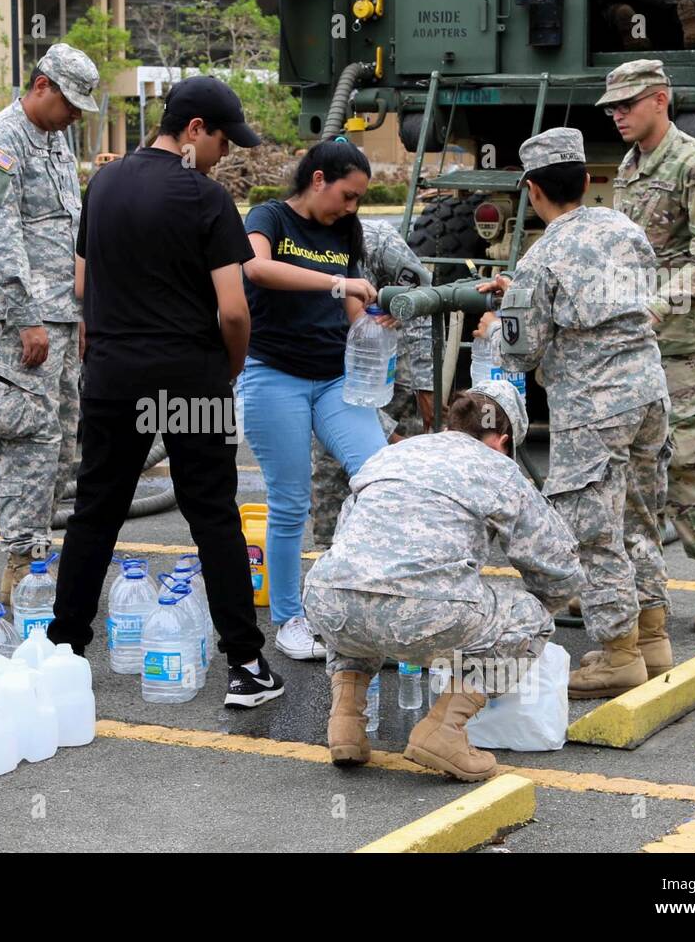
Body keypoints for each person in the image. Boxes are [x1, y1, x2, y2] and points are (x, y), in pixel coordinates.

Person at [47, 75, 284, 708]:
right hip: (189, 374)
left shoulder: (104, 185)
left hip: (115, 373)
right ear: (195, 129)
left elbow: (81, 283)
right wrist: (229, 367)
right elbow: (234, 310)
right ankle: (246, 666)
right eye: (224, 140)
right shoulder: (202, 198)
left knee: (96, 509)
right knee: (210, 513)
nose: (226, 154)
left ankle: (63, 651)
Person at [305, 382, 584, 782]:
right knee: (530, 616)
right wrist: (544, 599)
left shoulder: (392, 455)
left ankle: (346, 722)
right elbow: (559, 568)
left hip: (326, 601)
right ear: (503, 440)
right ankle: (444, 730)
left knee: (358, 590)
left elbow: (349, 542)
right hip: (424, 615)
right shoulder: (498, 468)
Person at [480, 127, 672, 698]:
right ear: (588, 182)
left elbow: (522, 350)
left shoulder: (542, 257)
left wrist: (498, 325)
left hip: (593, 406)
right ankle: (653, 635)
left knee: (592, 527)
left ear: (532, 191)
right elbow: (613, 298)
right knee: (640, 512)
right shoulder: (625, 229)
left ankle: (618, 654)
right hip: (648, 390)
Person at [599, 59, 695, 635]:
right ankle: (634, 589)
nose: (617, 114)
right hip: (634, 338)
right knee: (633, 466)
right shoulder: (631, 168)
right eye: (612, 106)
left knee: (686, 460)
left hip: (681, 339)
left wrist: (658, 304)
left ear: (660, 99)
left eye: (627, 104)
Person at [237, 140, 388, 662]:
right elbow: (256, 270)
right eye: (347, 196)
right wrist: (336, 281)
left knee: (379, 476)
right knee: (290, 502)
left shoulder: (345, 231)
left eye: (359, 201)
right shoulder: (270, 217)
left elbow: (350, 303)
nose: (351, 208)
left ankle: (363, 599)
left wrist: (369, 326)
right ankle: (288, 618)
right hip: (273, 374)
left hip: (334, 378)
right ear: (318, 179)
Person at [0, 43, 98, 607]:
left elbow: (68, 231)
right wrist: (29, 320)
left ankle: (40, 560)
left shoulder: (55, 139)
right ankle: (21, 568)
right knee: (26, 446)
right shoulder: (1, 139)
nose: (74, 115)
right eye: (69, 102)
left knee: (61, 445)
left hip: (60, 319)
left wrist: (78, 312)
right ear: (42, 85)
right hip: (21, 327)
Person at [309, 219, 434, 549]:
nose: (349, 207)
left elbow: (423, 298)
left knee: (402, 492)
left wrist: (427, 385)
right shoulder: (299, 253)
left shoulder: (375, 239)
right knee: (337, 491)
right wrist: (381, 430)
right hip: (333, 384)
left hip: (393, 377)